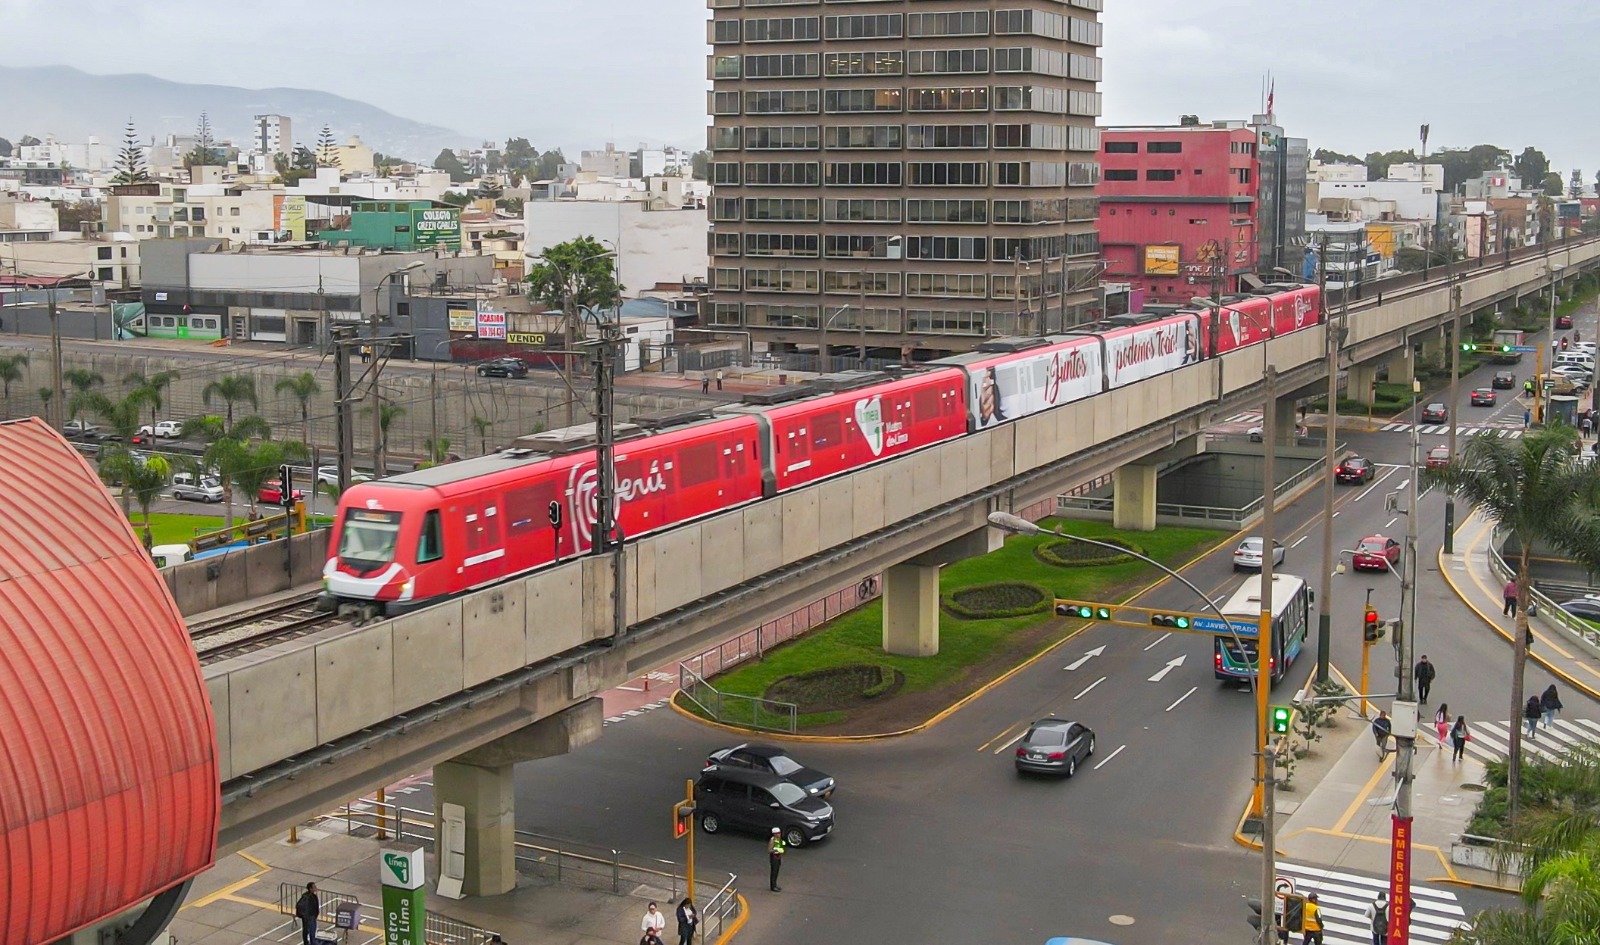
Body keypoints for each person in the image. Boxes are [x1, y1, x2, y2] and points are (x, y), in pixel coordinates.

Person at [768, 827, 786, 892]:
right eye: (777, 833)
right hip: (774, 857)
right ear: (774, 834)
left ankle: (775, 885)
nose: (779, 834)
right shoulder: (772, 840)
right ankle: (773, 886)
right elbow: (769, 850)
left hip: (778, 856)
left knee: (777, 871)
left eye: (779, 833)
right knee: (774, 871)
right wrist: (776, 850)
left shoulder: (778, 839)